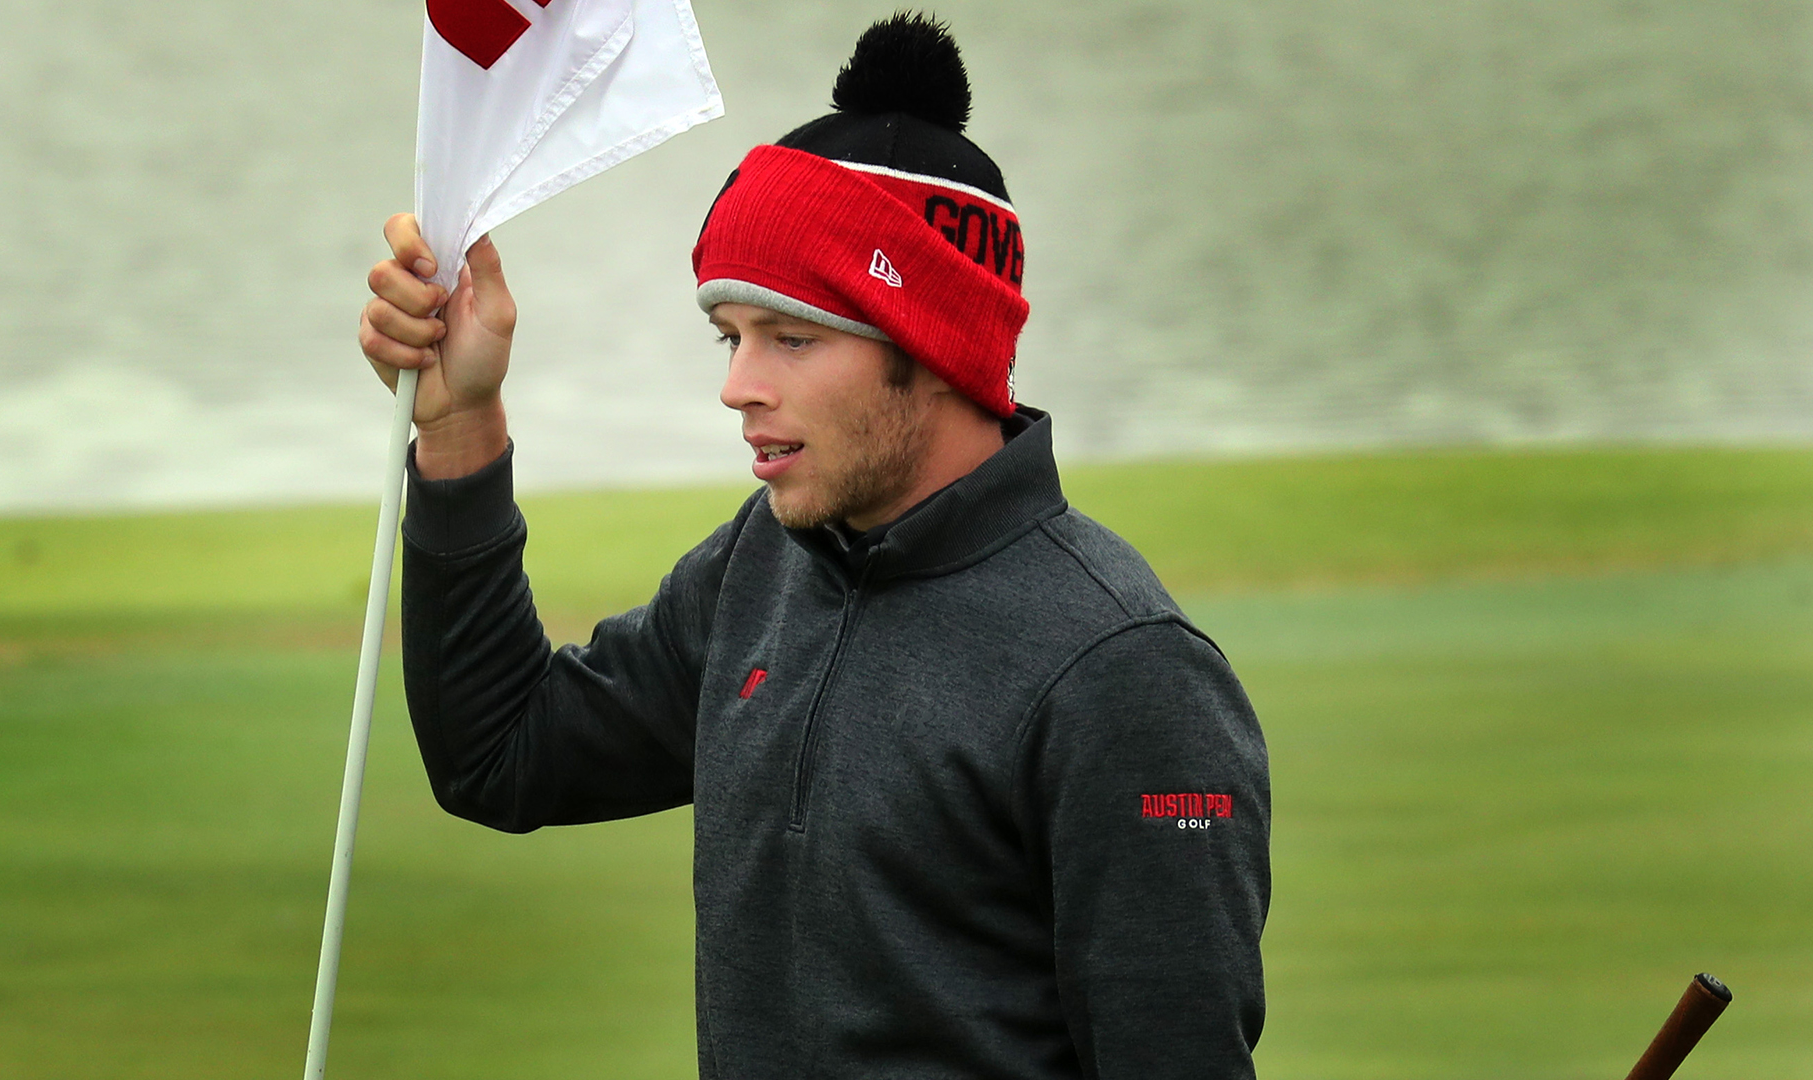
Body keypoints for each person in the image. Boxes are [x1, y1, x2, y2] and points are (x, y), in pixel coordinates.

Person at [358, 14, 1270, 1079]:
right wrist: (460, 424)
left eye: (792, 338)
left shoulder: (1127, 674)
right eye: (730, 334)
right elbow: (502, 758)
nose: (739, 384)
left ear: (932, 348)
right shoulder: (766, 564)